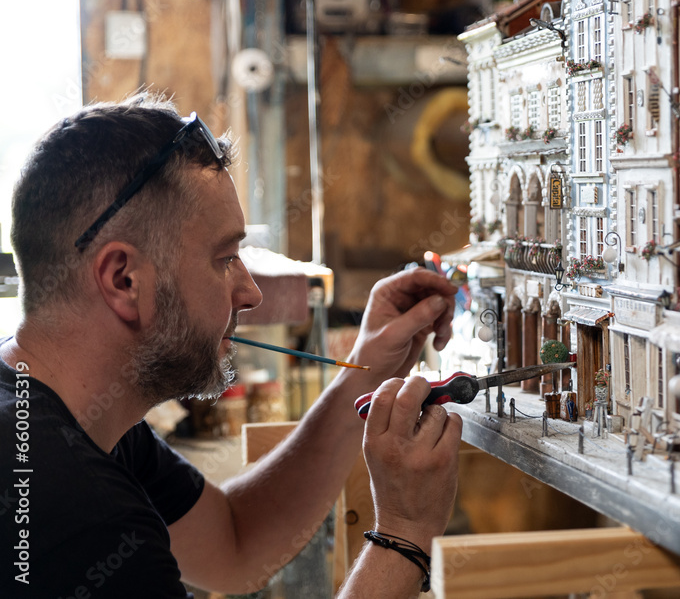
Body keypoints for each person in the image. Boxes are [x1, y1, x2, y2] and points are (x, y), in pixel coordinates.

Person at [0, 93, 462, 597]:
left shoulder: (75, 418)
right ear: (124, 279)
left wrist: (365, 370)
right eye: (224, 258)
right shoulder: (70, 508)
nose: (251, 291)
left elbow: (233, 545)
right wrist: (405, 531)